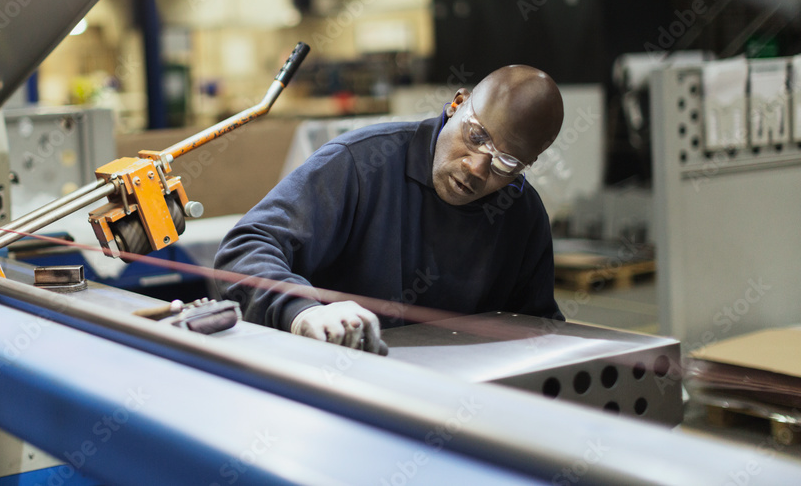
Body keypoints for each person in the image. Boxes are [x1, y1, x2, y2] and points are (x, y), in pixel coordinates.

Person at [214, 65, 565, 354]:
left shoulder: (522, 213)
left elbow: (538, 328)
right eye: (475, 137)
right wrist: (300, 310)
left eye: (505, 163)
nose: (477, 167)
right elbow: (246, 247)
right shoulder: (359, 163)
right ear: (457, 105)